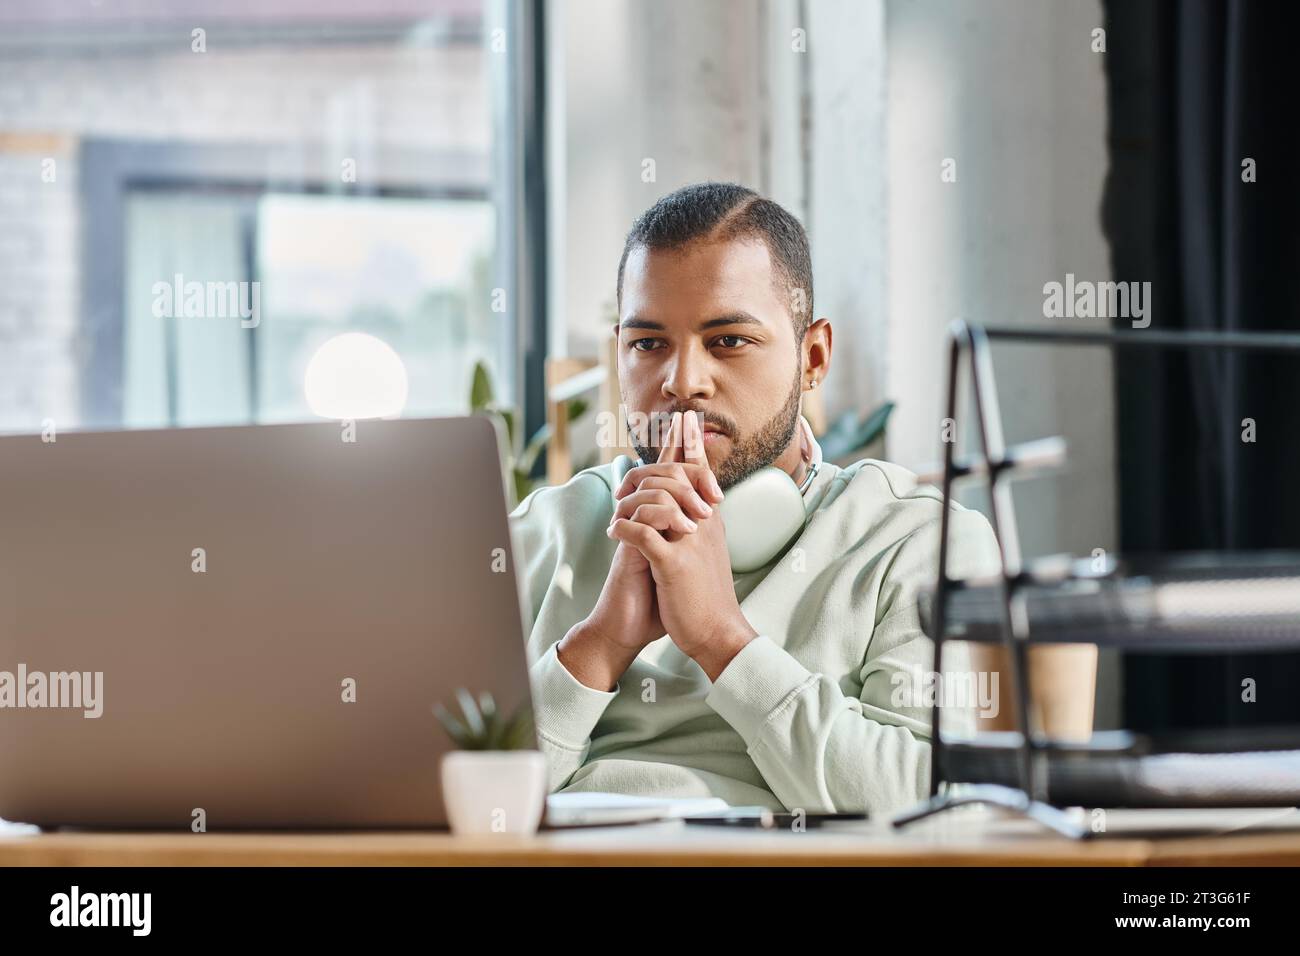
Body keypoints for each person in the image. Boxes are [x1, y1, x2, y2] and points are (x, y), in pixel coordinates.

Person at [510, 182, 1001, 815]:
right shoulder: (540, 532)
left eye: (729, 341)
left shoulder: (920, 542)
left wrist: (722, 638)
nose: (682, 382)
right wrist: (599, 645)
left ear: (813, 356)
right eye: (647, 343)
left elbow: (946, 811)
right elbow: (438, 800)